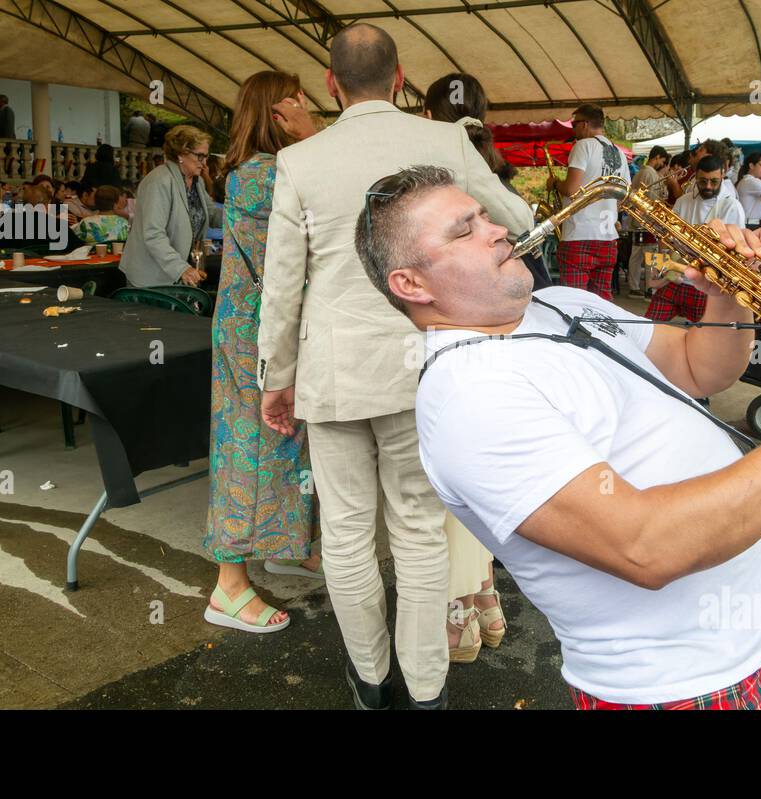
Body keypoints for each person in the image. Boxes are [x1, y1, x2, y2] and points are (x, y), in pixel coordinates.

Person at [359, 165, 761, 709]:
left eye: (485, 215)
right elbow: (647, 547)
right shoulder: (467, 395)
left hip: (749, 647)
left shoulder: (558, 303)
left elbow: (699, 366)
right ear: (410, 283)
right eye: (467, 230)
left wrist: (726, 295)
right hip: (678, 686)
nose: (499, 229)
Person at [256, 23, 533, 711]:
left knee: (346, 533)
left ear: (330, 83)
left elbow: (281, 284)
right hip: (428, 365)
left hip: (334, 371)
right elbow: (519, 221)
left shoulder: (301, 161)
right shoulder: (443, 141)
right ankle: (428, 686)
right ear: (401, 77)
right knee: (416, 525)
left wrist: (276, 377)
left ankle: (372, 681)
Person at [199, 71, 323, 635]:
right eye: (295, 100)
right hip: (256, 338)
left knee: (283, 447)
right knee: (247, 453)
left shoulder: (267, 170)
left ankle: (285, 545)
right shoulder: (264, 175)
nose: (306, 106)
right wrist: (315, 134)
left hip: (264, 331)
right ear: (277, 111)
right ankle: (227, 587)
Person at [421, 72, 516, 660]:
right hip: (491, 330)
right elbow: (519, 219)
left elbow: (516, 216)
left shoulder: (440, 148)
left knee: (444, 470)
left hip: (444, 323)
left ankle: (458, 611)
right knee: (472, 464)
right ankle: (483, 594)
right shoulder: (482, 151)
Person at [421, 72, 549, 295]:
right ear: (483, 113)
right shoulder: (491, 169)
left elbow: (520, 224)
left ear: (428, 116)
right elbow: (523, 224)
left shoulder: (433, 167)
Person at [645, 155, 745, 326]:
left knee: (709, 337)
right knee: (648, 325)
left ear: (722, 175)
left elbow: (737, 251)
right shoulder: (684, 201)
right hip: (675, 277)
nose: (708, 186)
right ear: (695, 176)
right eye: (703, 181)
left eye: (714, 182)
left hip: (708, 285)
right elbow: (666, 237)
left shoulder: (732, 206)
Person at [546, 103, 630, 299]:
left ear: (584, 124)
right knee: (601, 301)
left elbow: (571, 189)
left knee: (574, 300)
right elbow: (623, 196)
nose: (573, 130)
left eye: (574, 125)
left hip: (579, 235)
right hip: (608, 238)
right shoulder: (619, 153)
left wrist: (555, 183)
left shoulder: (583, 146)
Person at [118, 125, 211, 287]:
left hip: (179, 274)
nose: (204, 163)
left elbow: (212, 212)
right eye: (200, 156)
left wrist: (243, 216)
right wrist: (181, 268)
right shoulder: (159, 181)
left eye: (206, 156)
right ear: (181, 154)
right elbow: (153, 234)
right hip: (151, 277)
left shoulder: (197, 182)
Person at [624, 146, 682, 298]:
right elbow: (652, 200)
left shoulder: (640, 173)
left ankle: (635, 286)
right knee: (652, 255)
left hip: (637, 221)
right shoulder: (649, 174)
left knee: (637, 256)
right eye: (662, 161)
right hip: (647, 221)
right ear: (656, 157)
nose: (662, 165)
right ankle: (651, 288)